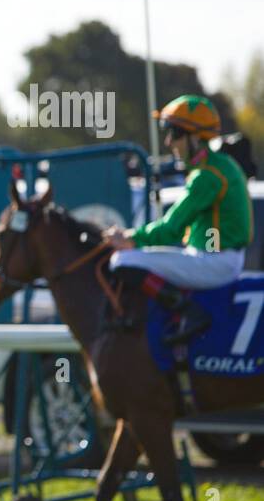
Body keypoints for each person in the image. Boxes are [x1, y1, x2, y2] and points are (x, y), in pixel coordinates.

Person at [105, 94, 252, 343]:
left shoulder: (207, 175)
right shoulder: (218, 164)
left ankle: (188, 312)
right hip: (216, 257)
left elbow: (171, 230)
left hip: (215, 263)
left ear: (195, 138)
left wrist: (129, 238)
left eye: (174, 133)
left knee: (122, 260)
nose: (168, 141)